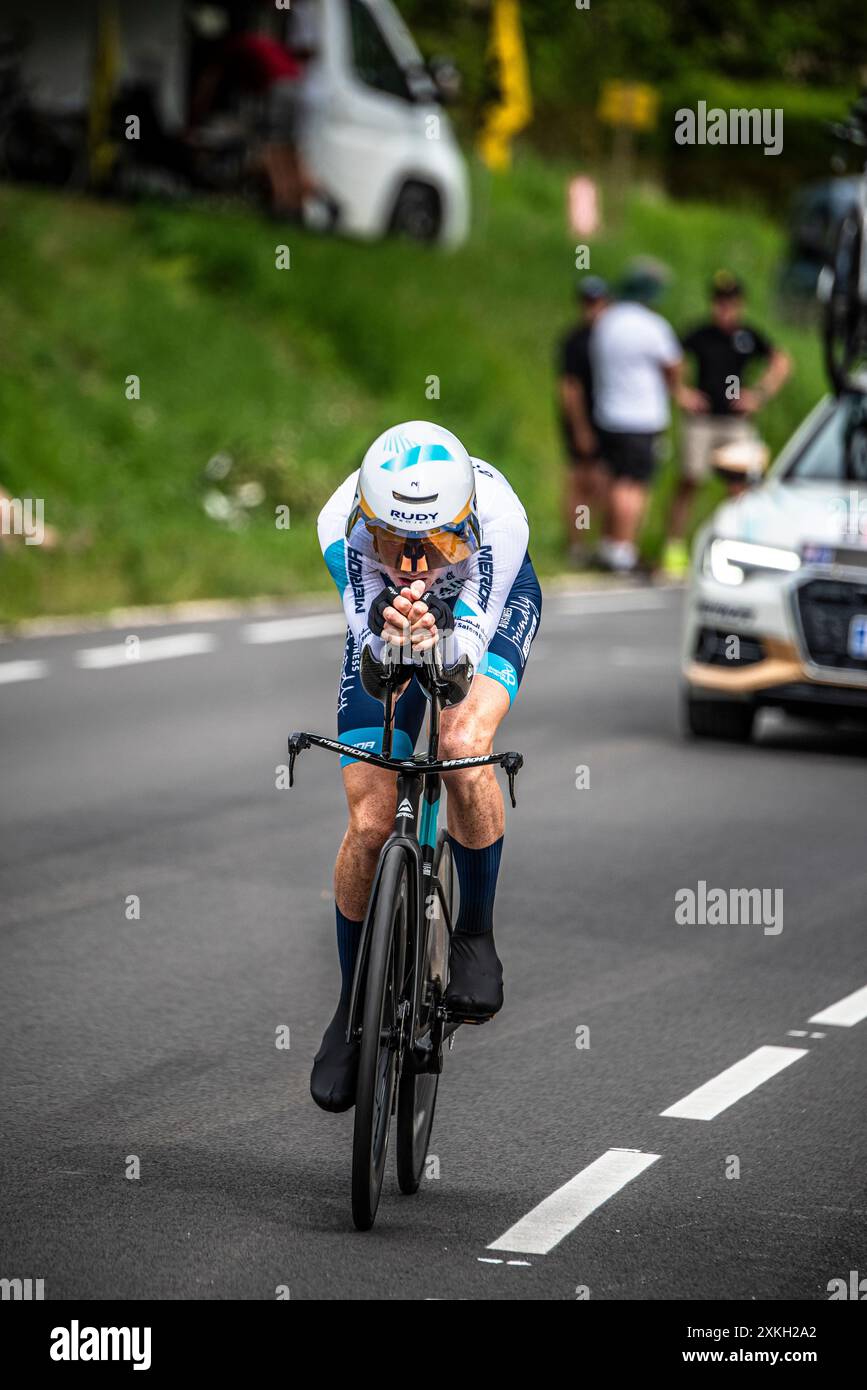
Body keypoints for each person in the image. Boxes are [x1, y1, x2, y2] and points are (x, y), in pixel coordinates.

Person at [312, 422, 542, 1111]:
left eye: (435, 544)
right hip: (387, 622)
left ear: (464, 524)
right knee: (371, 816)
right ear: (365, 522)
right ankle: (354, 1009)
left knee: (461, 744)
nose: (413, 564)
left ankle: (474, 935)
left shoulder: (500, 521)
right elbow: (374, 659)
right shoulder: (337, 523)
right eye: (393, 544)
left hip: (484, 608)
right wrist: (388, 631)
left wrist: (439, 643)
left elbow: (461, 651)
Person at [664, 271, 791, 574]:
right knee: (690, 479)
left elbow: (781, 361)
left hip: (735, 421)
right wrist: (681, 392)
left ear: (739, 304)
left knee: (740, 486)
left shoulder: (747, 336)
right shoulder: (701, 334)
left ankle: (737, 545)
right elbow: (671, 359)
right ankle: (674, 546)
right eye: (720, 302)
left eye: (730, 303)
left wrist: (759, 394)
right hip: (702, 418)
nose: (724, 309)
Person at [589, 261, 683, 574]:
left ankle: (609, 543)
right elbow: (673, 366)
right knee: (634, 485)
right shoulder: (652, 326)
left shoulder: (605, 322)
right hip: (641, 418)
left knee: (614, 480)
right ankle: (624, 550)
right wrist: (679, 391)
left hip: (608, 414)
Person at [556, 276, 611, 565]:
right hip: (585, 420)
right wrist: (580, 429)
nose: (592, 309)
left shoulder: (614, 337)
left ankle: (602, 541)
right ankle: (577, 544)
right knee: (580, 480)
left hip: (612, 420)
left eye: (597, 302)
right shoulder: (575, 340)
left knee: (604, 482)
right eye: (587, 303)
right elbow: (569, 387)